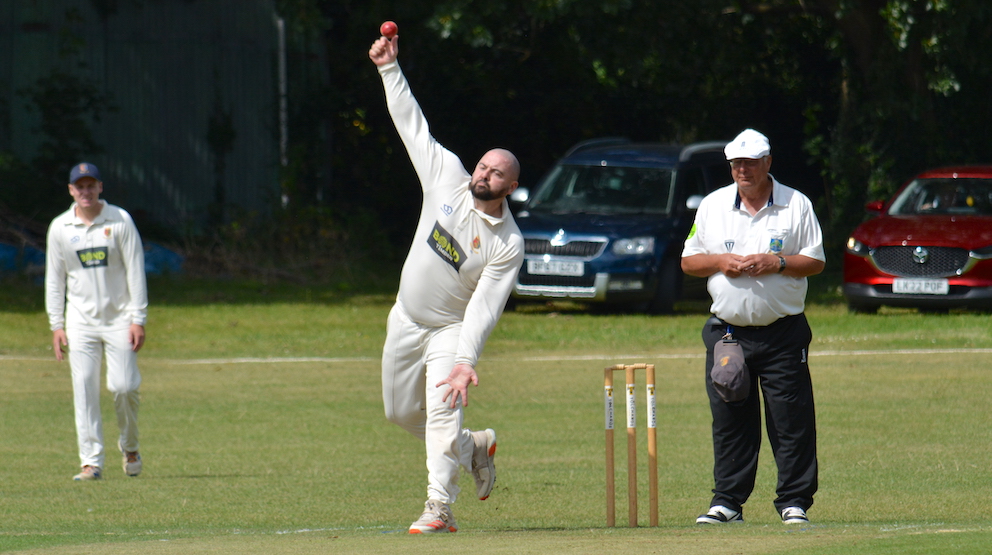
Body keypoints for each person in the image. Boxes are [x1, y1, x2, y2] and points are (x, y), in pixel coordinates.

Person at [368, 32, 524, 533]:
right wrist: (390, 69)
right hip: (404, 317)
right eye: (483, 165)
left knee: (440, 412)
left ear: (510, 186)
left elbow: (484, 307)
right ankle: (474, 446)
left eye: (497, 173)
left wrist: (463, 363)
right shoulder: (447, 178)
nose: (485, 174)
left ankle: (440, 507)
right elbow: (413, 126)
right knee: (398, 414)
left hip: (447, 330)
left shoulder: (507, 243)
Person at [681, 129, 825, 525]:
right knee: (729, 420)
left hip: (783, 331)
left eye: (750, 163)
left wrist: (776, 263)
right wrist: (720, 262)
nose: (742, 170)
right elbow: (688, 261)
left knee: (790, 419)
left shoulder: (796, 204)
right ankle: (727, 502)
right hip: (729, 334)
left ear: (768, 163)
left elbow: (815, 261)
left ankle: (794, 502)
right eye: (735, 164)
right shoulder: (712, 206)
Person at [45, 162, 148, 481]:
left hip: (120, 319)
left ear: (100, 187)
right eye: (80, 187)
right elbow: (55, 279)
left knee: (124, 386)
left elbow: (135, 269)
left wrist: (138, 318)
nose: (85, 192)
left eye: (91, 186)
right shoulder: (60, 227)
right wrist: (57, 325)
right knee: (84, 388)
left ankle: (130, 447)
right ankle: (91, 462)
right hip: (80, 323)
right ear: (71, 191)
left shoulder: (119, 220)